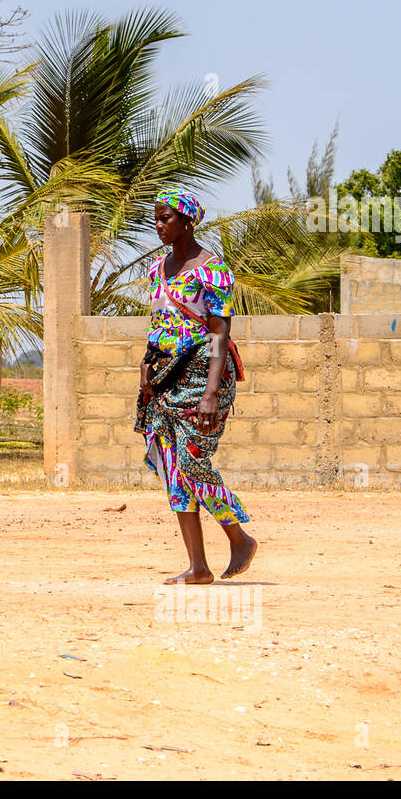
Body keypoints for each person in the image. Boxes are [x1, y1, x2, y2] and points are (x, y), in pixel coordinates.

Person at [134, 189, 258, 584]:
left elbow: (220, 333)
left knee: (192, 462)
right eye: (155, 219)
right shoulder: (158, 270)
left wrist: (209, 394)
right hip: (166, 377)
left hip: (205, 377)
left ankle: (239, 537)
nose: (159, 226)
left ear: (188, 221)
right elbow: (159, 324)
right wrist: (146, 367)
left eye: (165, 218)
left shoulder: (212, 270)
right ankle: (198, 567)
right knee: (173, 470)